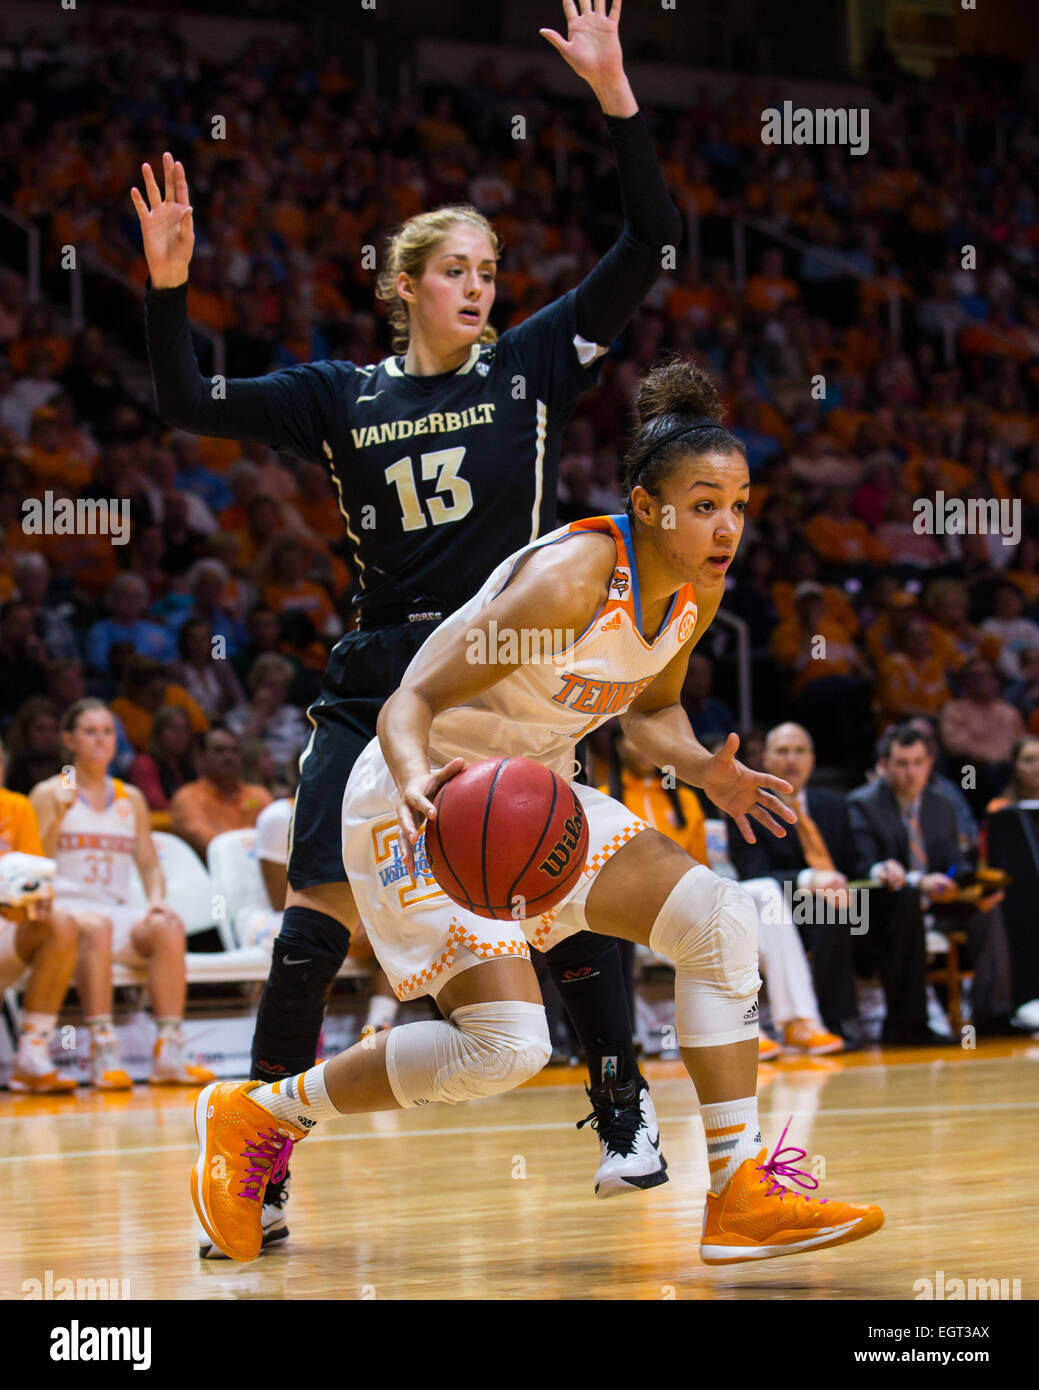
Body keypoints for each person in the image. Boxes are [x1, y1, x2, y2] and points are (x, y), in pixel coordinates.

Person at [136, 0, 689, 1223]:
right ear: (403, 287)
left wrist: (614, 96)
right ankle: (258, 1149)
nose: (481, 289)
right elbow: (182, 401)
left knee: (558, 878)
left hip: (510, 667)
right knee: (313, 919)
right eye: (457, 272)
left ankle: (623, 1107)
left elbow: (653, 241)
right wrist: (168, 286)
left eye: (491, 273)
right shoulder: (339, 394)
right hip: (385, 673)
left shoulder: (533, 361)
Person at [193, 358, 884, 1266]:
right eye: (704, 503)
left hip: (534, 798)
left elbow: (649, 710)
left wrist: (698, 768)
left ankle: (738, 1191)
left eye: (739, 505)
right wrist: (412, 782)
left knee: (722, 921)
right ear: (645, 506)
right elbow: (408, 699)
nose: (725, 527)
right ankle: (260, 1112)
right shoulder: (568, 580)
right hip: (424, 797)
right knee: (504, 1050)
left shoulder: (695, 588)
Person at [30, 699, 215, 1089]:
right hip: (65, 914)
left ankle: (170, 1051)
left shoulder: (130, 797)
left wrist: (157, 900)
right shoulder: (50, 792)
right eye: (90, 732)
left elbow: (149, 864)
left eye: (108, 731)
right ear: (69, 740)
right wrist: (55, 819)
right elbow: (32, 864)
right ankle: (104, 1050)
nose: (101, 740)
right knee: (97, 927)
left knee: (168, 925)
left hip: (113, 911)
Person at [846, 723, 1012, 1043]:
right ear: (884, 766)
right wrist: (916, 881)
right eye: (902, 764)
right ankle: (908, 1023)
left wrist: (971, 886)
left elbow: (953, 861)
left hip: (938, 900)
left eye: (918, 763)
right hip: (886, 907)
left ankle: (993, 1015)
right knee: (908, 896)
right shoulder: (862, 804)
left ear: (929, 764)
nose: (911, 772)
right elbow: (863, 866)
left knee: (987, 907)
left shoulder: (941, 804)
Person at [727, 722, 860, 1046]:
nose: (792, 760)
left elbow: (856, 862)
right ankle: (833, 1020)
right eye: (782, 752)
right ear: (765, 760)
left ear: (813, 759)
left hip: (848, 896)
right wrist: (811, 881)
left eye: (800, 751)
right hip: (784, 906)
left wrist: (885, 871)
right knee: (831, 911)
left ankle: (911, 1020)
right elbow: (754, 876)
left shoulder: (834, 805)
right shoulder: (747, 806)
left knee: (901, 901)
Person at [0, 737, 80, 1093]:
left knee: (59, 923)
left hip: (5, 926)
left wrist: (37, 896)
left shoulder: (16, 806)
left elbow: (34, 873)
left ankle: (32, 1054)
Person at [168, 726, 272, 860]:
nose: (228, 756)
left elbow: (276, 840)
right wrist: (251, 838)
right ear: (201, 757)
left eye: (234, 750)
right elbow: (210, 845)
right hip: (209, 875)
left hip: (257, 872)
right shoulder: (187, 797)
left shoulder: (259, 794)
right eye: (219, 750)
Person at [129, 704, 197, 815]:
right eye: (173, 729)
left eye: (185, 730)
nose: (180, 736)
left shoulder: (188, 766)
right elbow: (158, 807)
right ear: (158, 734)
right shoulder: (144, 764)